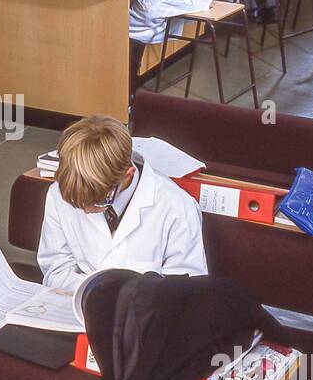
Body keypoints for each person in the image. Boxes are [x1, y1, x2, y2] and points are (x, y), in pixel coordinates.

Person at [37, 115, 208, 292]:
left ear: (128, 174)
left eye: (97, 200)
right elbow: (55, 268)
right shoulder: (59, 193)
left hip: (146, 314)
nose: (87, 210)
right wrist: (92, 294)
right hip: (75, 303)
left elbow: (184, 290)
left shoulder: (177, 208)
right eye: (77, 204)